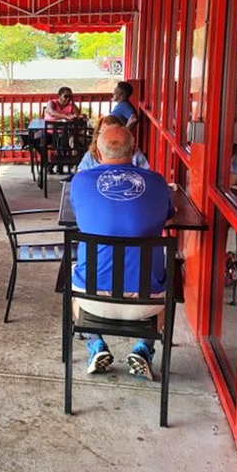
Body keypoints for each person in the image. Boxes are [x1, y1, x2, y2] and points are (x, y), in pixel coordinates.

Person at [71, 126, 173, 380]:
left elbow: (80, 216)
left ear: (97, 152)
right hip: (148, 305)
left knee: (71, 277)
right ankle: (143, 348)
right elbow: (168, 216)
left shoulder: (80, 181)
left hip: (92, 299)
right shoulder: (157, 182)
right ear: (135, 150)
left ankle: (96, 345)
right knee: (171, 281)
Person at [77, 114, 149, 172]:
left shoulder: (134, 151)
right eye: (103, 132)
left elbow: (146, 173)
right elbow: (80, 176)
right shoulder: (91, 155)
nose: (108, 136)